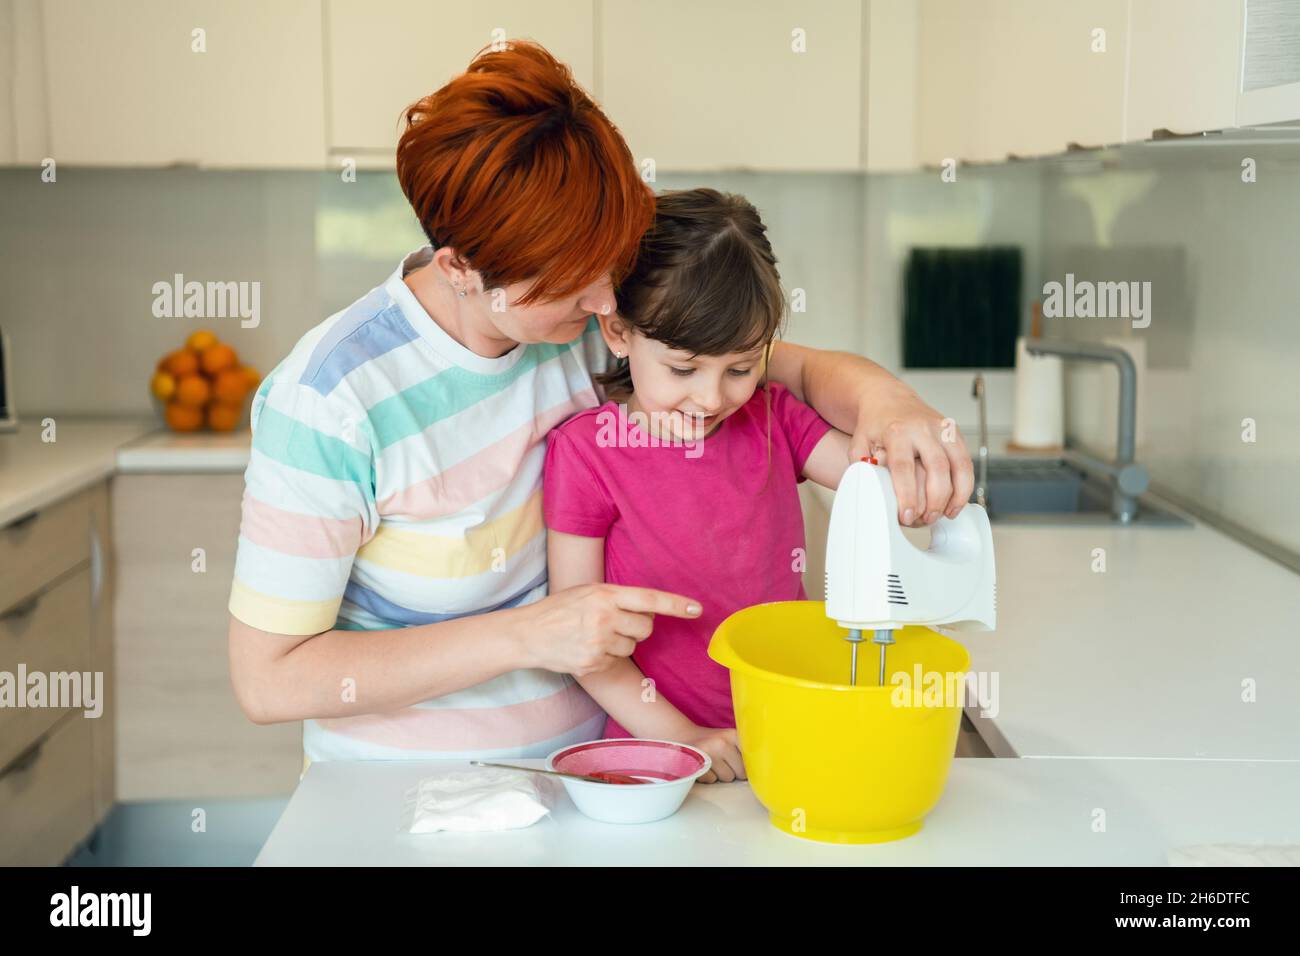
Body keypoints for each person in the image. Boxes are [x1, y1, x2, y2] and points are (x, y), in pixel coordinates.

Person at [227, 41, 973, 766]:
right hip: (403, 801)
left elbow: (794, 375)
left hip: (598, 775)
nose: (609, 301)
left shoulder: (586, 331)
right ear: (461, 268)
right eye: (573, 280)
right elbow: (270, 678)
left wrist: (891, 403)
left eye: (607, 265)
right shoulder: (330, 401)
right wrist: (525, 636)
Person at [543, 188, 854, 782]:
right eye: (683, 369)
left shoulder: (774, 419)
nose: (713, 399)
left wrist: (912, 457)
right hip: (654, 750)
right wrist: (684, 740)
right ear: (617, 333)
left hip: (787, 727)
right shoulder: (586, 454)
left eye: (740, 368)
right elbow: (582, 640)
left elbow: (872, 487)